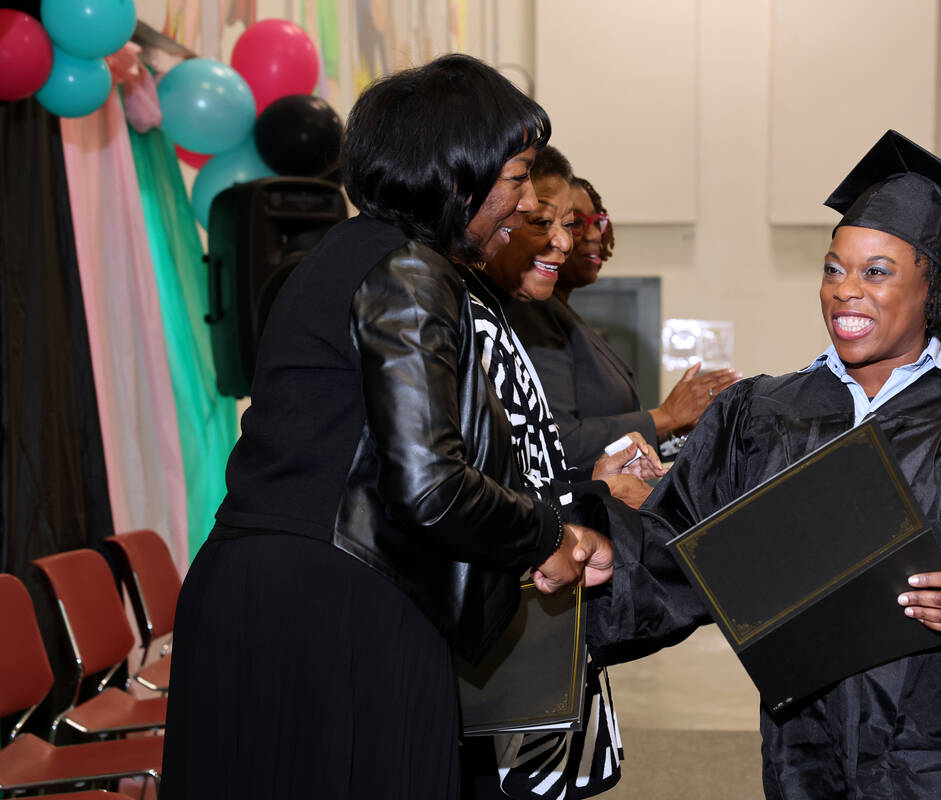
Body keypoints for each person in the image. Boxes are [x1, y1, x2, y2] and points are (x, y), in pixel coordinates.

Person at [586, 130, 941, 798]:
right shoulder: (760, 414)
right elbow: (680, 548)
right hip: (811, 751)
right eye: (833, 268)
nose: (846, 290)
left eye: (877, 271)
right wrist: (597, 539)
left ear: (932, 285)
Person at [160, 55, 613, 800]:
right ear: (455, 174)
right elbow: (428, 484)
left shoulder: (336, 255)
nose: (528, 202)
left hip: (256, 590)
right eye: (518, 176)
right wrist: (545, 534)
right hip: (338, 606)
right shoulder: (408, 269)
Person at [459, 145, 663, 799]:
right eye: (537, 215)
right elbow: (475, 497)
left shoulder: (506, 319)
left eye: (569, 224)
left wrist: (596, 476)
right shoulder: (468, 324)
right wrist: (596, 490)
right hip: (507, 615)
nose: (559, 240)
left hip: (546, 602)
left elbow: (529, 465)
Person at [507, 173, 740, 471]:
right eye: (576, 223)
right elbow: (558, 441)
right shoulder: (530, 311)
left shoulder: (564, 316)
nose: (593, 235)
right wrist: (665, 415)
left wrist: (677, 434)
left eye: (597, 222)